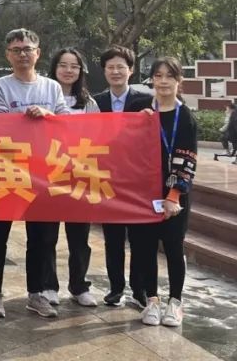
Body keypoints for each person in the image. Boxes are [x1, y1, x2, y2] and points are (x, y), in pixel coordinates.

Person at [0, 29, 69, 320]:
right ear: (7, 54)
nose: (22, 54)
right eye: (16, 49)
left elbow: (65, 126)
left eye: (27, 49)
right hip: (8, 169)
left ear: (38, 53)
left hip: (43, 173)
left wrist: (47, 115)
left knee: (42, 237)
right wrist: (26, 119)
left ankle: (36, 293)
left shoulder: (52, 88)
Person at [129, 57, 197, 328]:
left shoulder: (186, 116)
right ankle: (152, 301)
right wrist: (135, 124)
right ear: (152, 80)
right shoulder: (139, 108)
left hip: (173, 196)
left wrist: (174, 196)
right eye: (159, 76)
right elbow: (123, 145)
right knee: (144, 249)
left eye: (170, 76)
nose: (164, 81)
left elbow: (187, 159)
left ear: (179, 81)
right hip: (142, 194)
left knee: (172, 248)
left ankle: (176, 303)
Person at [93, 45, 153, 308]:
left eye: (121, 67)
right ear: (104, 71)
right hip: (107, 179)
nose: (116, 72)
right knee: (113, 238)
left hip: (137, 181)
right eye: (110, 67)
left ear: (131, 70)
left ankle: (139, 289)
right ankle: (115, 287)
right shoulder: (96, 102)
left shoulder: (146, 100)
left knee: (139, 238)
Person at [44, 48, 99, 308]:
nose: (68, 70)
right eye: (63, 65)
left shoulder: (89, 103)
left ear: (80, 71)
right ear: (54, 68)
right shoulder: (43, 97)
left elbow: (100, 137)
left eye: (74, 66)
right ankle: (48, 285)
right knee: (47, 235)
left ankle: (79, 286)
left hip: (80, 176)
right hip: (47, 176)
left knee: (79, 237)